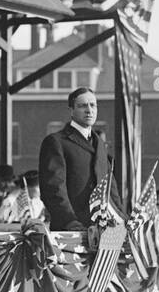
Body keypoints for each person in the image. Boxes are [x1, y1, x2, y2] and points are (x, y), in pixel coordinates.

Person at [38, 86, 119, 229]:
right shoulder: (57, 142)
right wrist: (69, 221)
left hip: (103, 230)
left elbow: (111, 189)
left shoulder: (99, 144)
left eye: (93, 105)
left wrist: (120, 218)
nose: (89, 110)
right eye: (82, 106)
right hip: (71, 230)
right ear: (71, 110)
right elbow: (53, 189)